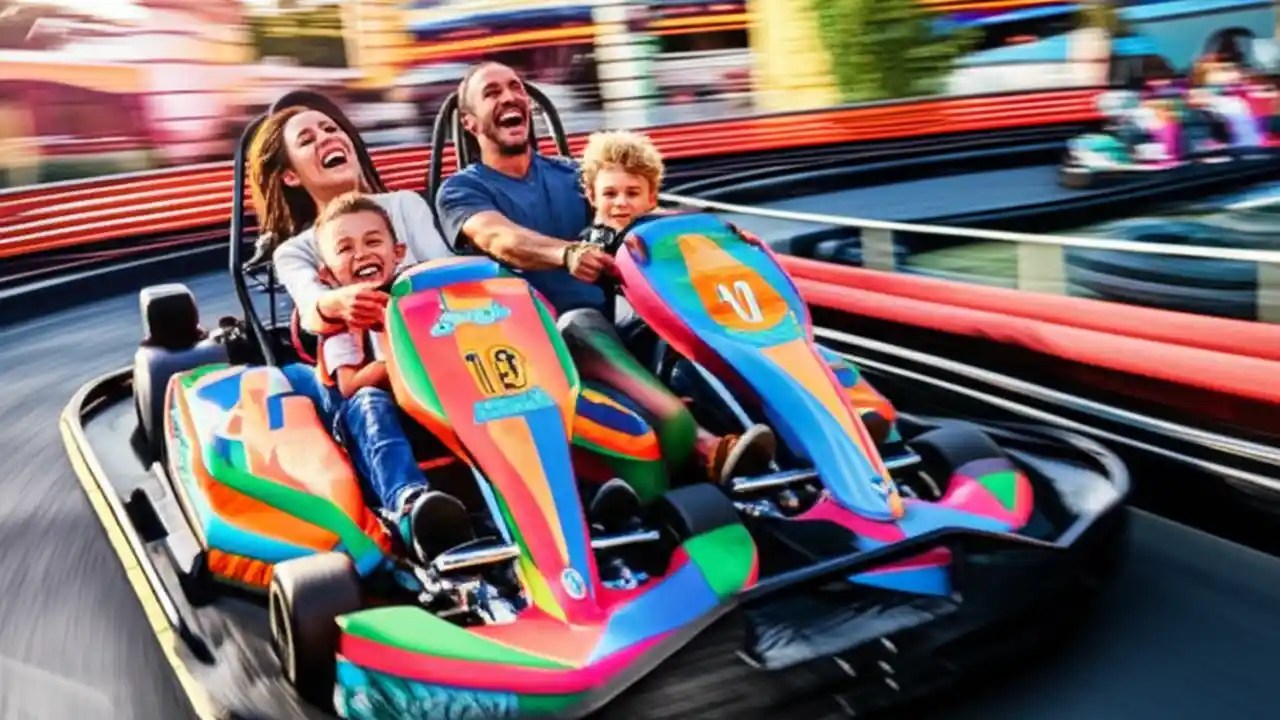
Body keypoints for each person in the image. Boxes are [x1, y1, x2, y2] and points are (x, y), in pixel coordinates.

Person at [434, 61, 778, 488]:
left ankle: (777, 428)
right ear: (469, 123)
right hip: (537, 343)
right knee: (578, 324)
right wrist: (566, 254)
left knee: (677, 321)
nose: (509, 97)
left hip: (614, 322)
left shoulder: (573, 175)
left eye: (515, 87)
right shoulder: (461, 190)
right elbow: (498, 237)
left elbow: (634, 215)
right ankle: (706, 448)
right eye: (492, 93)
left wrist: (714, 235)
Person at [245, 101, 453, 427]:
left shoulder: (405, 204)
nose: (326, 138)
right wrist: (340, 302)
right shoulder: (294, 250)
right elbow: (313, 307)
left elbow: (449, 272)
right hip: (372, 384)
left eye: (331, 129)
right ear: (290, 176)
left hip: (445, 352)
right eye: (307, 139)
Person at [310, 192, 476, 562]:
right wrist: (410, 357)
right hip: (376, 427)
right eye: (345, 248)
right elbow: (350, 386)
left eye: (372, 242)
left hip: (442, 412)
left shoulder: (425, 298)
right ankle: (411, 504)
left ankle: (561, 486)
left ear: (397, 252)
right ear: (327, 274)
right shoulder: (343, 322)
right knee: (369, 402)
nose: (361, 254)